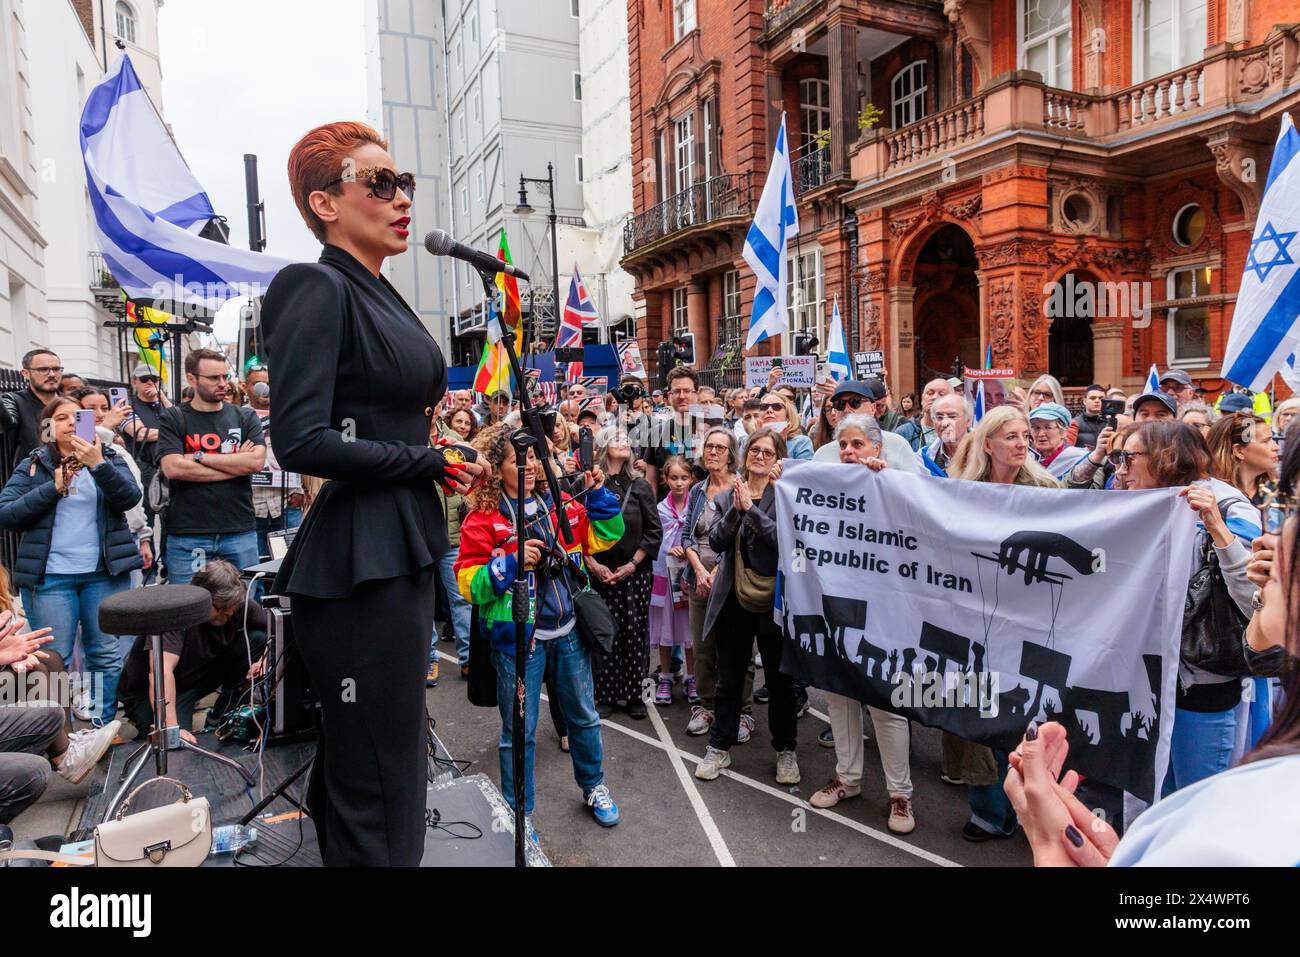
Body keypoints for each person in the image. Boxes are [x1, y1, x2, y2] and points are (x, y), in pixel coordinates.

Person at [259, 120, 486, 866]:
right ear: (325, 203)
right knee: (381, 770)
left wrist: (438, 458)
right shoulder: (313, 284)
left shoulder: (378, 291)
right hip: (359, 560)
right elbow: (299, 441)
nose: (400, 197)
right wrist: (417, 461)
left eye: (404, 182)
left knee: (373, 756)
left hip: (397, 539)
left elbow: (390, 425)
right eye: (379, 183)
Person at [456, 424, 624, 830]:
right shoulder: (482, 519)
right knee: (519, 731)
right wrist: (511, 563)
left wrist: (598, 492)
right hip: (517, 641)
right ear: (496, 469)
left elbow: (607, 536)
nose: (530, 465)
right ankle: (519, 810)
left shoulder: (563, 502)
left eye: (533, 457)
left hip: (568, 631)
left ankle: (594, 785)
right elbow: (468, 586)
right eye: (519, 459)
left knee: (583, 717)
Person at [1111, 421, 1258, 795]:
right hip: (1152, 684)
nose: (1121, 468)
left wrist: (1218, 529)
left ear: (1167, 457)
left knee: (1198, 806)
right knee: (1158, 804)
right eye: (1118, 457)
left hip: (1203, 687)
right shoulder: (1139, 503)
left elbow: (1255, 600)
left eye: (1129, 457)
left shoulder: (1226, 505)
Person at [947, 406, 1058, 841]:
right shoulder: (961, 491)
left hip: (1027, 618)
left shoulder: (1047, 489)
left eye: (1024, 435)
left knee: (1021, 712)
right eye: (1010, 436)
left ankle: (1027, 807)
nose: (1021, 443)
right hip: (973, 617)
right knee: (977, 712)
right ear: (988, 443)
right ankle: (988, 811)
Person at [0, 396, 144, 724]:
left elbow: (129, 497)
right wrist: (53, 488)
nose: (69, 423)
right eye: (60, 417)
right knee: (54, 659)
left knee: (105, 655)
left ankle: (101, 726)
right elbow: (7, 514)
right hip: (51, 578)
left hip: (103, 574)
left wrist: (98, 465)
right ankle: (59, 736)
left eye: (77, 417)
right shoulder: (34, 464)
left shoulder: (108, 456)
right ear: (47, 428)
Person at [808, 414, 916, 834]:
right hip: (839, 607)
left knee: (885, 703)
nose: (850, 453)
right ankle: (848, 779)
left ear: (877, 449)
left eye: (859, 445)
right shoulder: (825, 487)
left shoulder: (895, 483)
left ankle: (900, 795)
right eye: (844, 446)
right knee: (840, 697)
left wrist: (889, 482)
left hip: (886, 611)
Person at [695, 427, 799, 785]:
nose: (759, 457)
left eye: (767, 453)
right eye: (754, 450)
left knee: (780, 680)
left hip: (773, 601)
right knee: (730, 678)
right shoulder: (728, 495)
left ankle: (785, 751)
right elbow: (718, 540)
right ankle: (718, 747)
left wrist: (752, 511)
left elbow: (783, 542)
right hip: (734, 599)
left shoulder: (785, 495)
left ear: (777, 460)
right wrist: (737, 512)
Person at [118, 560, 268, 741]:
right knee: (176, 743)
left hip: (198, 675)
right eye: (220, 608)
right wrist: (171, 727)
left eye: (231, 607)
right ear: (201, 597)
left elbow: (277, 630)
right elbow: (160, 672)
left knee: (257, 640)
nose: (228, 613)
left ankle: (222, 720)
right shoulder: (175, 611)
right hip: (151, 691)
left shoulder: (235, 605)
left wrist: (265, 659)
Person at [158, 349, 267, 584]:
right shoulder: (174, 418)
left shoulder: (245, 417)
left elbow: (255, 462)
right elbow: (173, 468)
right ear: (191, 378)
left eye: (225, 377)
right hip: (189, 534)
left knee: (245, 606)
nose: (223, 384)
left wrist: (196, 456)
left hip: (238, 530)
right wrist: (235, 465)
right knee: (190, 607)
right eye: (213, 378)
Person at [681, 427, 754, 740]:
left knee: (738, 650)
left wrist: (717, 571)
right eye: (709, 447)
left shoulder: (741, 487)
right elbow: (687, 535)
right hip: (700, 578)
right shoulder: (698, 490)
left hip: (732, 577)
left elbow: (743, 537)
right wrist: (698, 569)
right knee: (703, 646)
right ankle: (707, 705)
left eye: (720, 448)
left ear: (731, 454)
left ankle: (744, 711)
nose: (712, 452)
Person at [587, 425, 661, 719]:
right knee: (603, 633)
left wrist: (632, 564)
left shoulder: (640, 485)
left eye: (627, 439)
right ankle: (604, 694)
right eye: (617, 438)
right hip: (600, 574)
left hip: (636, 574)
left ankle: (637, 696)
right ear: (603, 445)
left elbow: (654, 531)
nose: (624, 441)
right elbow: (578, 530)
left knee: (637, 635)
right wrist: (594, 564)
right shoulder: (590, 484)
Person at [72, 387, 153, 576]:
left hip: (129, 537)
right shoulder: (75, 453)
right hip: (101, 543)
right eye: (90, 409)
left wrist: (143, 536)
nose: (100, 414)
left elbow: (133, 496)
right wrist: (105, 428)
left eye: (105, 407)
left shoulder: (116, 447)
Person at [244, 364, 305, 562]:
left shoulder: (290, 415)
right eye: (258, 384)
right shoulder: (236, 417)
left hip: (287, 502)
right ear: (246, 387)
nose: (265, 389)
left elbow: (304, 450)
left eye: (269, 384)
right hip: (251, 504)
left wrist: (300, 490)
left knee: (286, 562)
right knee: (255, 564)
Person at [649, 456, 696, 705]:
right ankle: (666, 675)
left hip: (688, 576)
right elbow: (654, 540)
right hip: (666, 579)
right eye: (674, 478)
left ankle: (692, 676)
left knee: (689, 628)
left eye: (684, 478)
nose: (679, 483)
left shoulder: (696, 506)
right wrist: (669, 548)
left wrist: (687, 551)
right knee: (666, 626)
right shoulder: (660, 510)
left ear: (691, 479)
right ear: (666, 480)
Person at [813, 380, 924, 476]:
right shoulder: (822, 455)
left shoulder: (898, 445)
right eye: (840, 404)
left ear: (872, 408)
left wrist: (883, 476)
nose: (846, 410)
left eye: (854, 402)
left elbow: (914, 490)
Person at [119, 362, 172, 524]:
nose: (150, 382)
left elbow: (182, 422)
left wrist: (162, 397)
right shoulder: (127, 406)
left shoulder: (165, 405)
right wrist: (172, 432)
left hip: (168, 468)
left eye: (155, 379)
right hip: (144, 469)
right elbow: (140, 434)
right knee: (146, 519)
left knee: (171, 520)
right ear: (134, 381)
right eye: (145, 379)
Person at [1, 349, 64, 469]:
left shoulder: (69, 403)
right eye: (43, 369)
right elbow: (7, 421)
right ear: (25, 373)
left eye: (56, 369)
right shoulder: (14, 400)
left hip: (71, 478)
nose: (51, 374)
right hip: (29, 479)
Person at [1206, 411, 1278, 505]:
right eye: (1266, 441)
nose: (1276, 447)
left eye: (1272, 439)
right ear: (1239, 451)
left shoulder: (1276, 492)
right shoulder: (1210, 497)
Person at [1027, 403, 1090, 480]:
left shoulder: (1080, 460)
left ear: (1063, 432)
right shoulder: (1028, 459)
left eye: (1048, 428)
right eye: (1036, 428)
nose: (1041, 434)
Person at [916, 392, 973, 477]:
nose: (944, 423)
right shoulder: (924, 458)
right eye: (939, 417)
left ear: (968, 421)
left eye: (952, 416)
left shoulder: (984, 453)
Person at [896, 378, 953, 451]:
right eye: (930, 393)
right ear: (922, 399)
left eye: (942, 394)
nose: (935, 397)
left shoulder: (961, 433)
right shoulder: (904, 432)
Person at [758, 392, 813, 460]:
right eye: (764, 407)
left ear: (787, 415)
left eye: (777, 407)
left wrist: (780, 445)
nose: (769, 410)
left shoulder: (801, 443)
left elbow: (803, 470)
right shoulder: (749, 441)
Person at [1072, 384, 1107, 450]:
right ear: (1085, 401)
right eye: (1092, 398)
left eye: (1101, 398)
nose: (1097, 401)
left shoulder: (1111, 422)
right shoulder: (1075, 423)